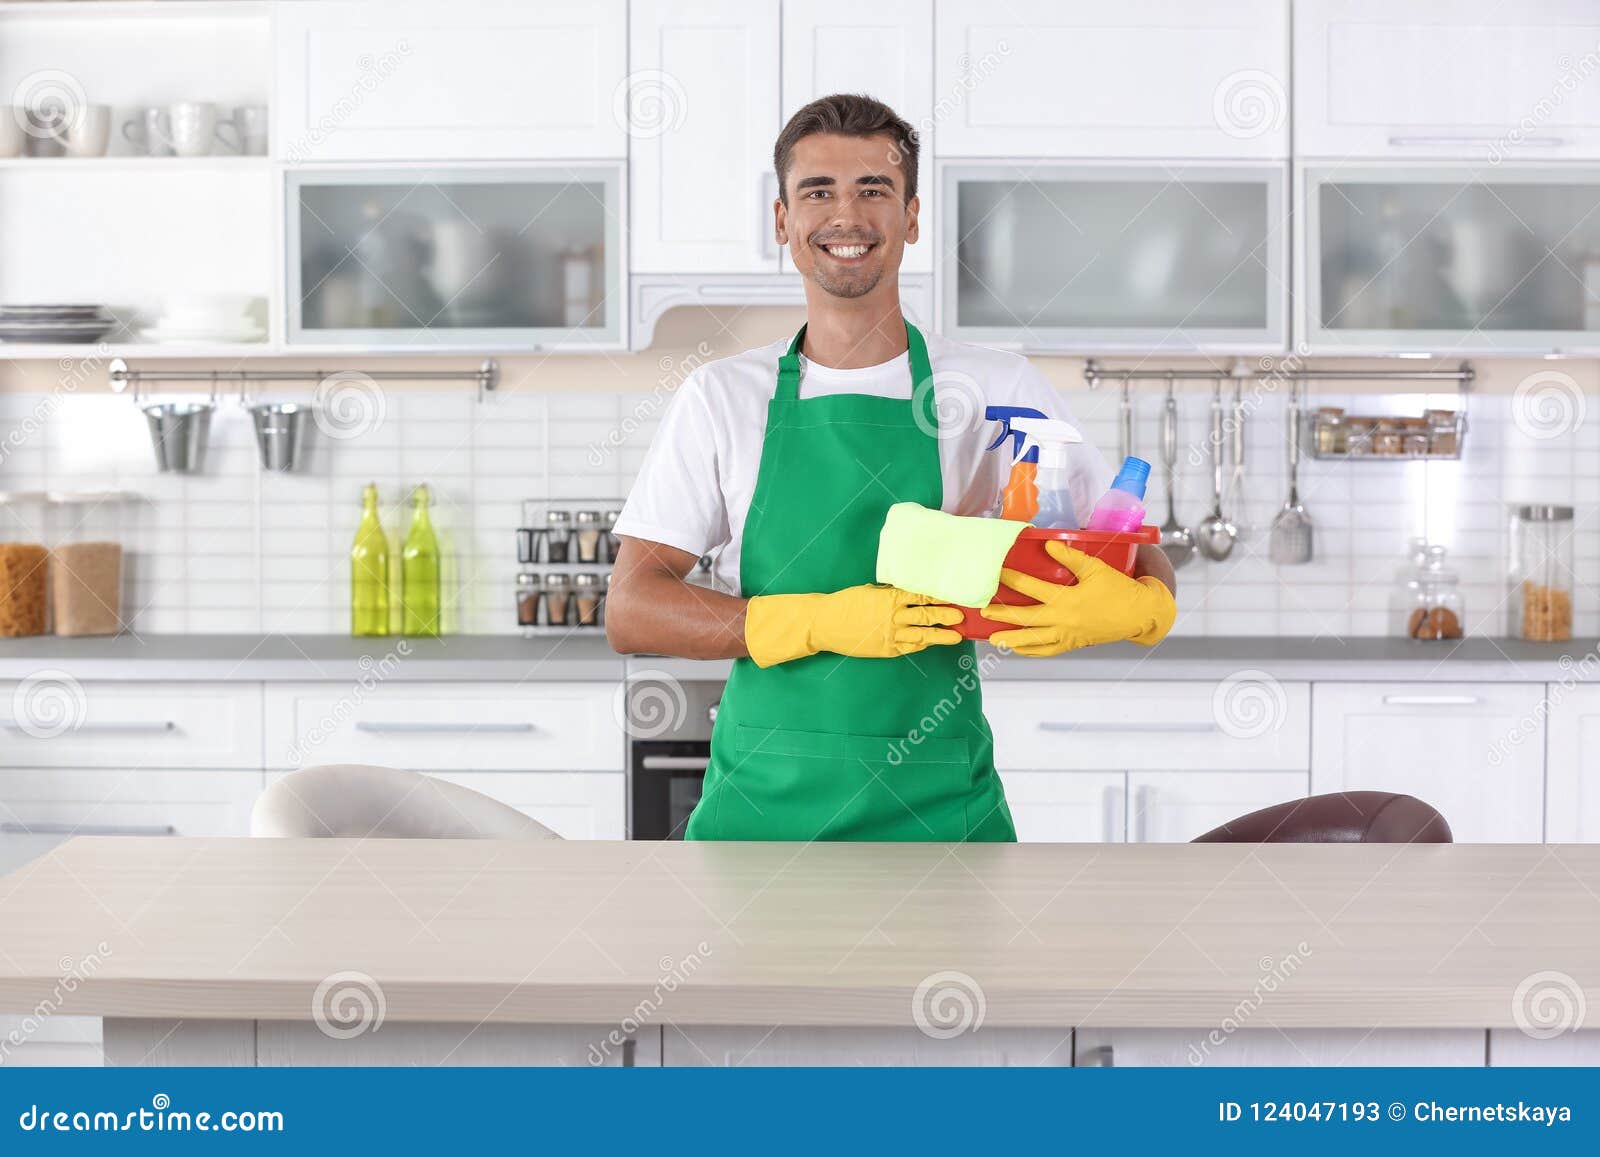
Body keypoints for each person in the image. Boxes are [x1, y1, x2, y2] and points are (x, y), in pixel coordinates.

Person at [607, 94, 1176, 842]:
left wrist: (1141, 609)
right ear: (784, 222)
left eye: (873, 189)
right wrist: (811, 622)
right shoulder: (721, 397)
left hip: (940, 814)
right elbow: (631, 608)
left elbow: (1138, 552)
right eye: (818, 192)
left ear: (910, 217)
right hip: (762, 818)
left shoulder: (994, 389)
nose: (847, 216)